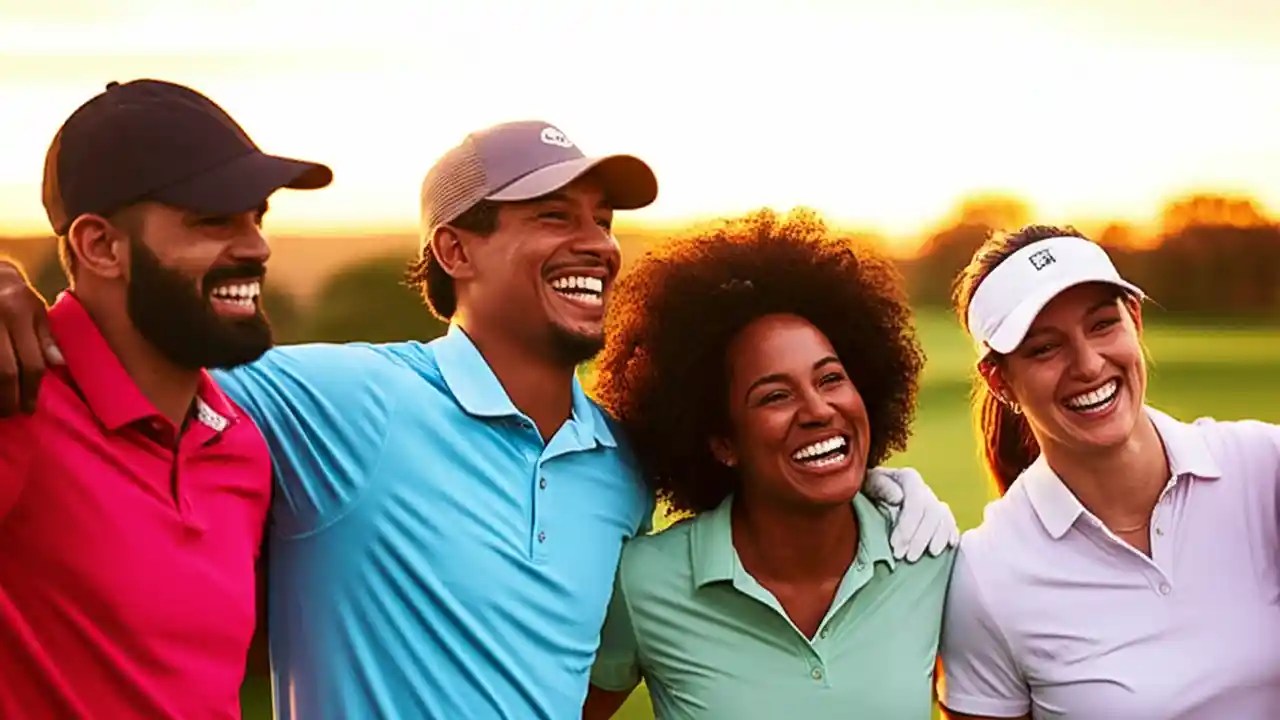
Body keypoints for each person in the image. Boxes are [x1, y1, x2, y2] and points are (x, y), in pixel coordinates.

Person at [0, 121, 957, 719]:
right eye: (550, 215)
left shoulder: (623, 465)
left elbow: (762, 481)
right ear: (454, 249)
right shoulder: (343, 402)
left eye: (601, 219)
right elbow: (130, 349)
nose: (592, 242)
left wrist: (880, 487)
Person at [0, 79, 331, 718]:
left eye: (256, 217)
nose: (256, 247)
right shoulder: (17, 401)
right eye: (212, 220)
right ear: (100, 246)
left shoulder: (237, 444)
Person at [581, 209, 957, 719]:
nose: (819, 410)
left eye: (830, 379)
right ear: (721, 442)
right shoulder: (645, 582)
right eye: (775, 395)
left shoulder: (929, 559)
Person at [938, 225, 1280, 719]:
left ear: (1134, 321)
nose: (1088, 364)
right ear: (1000, 381)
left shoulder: (1263, 466)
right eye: (1044, 348)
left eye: (1102, 325)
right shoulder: (988, 574)